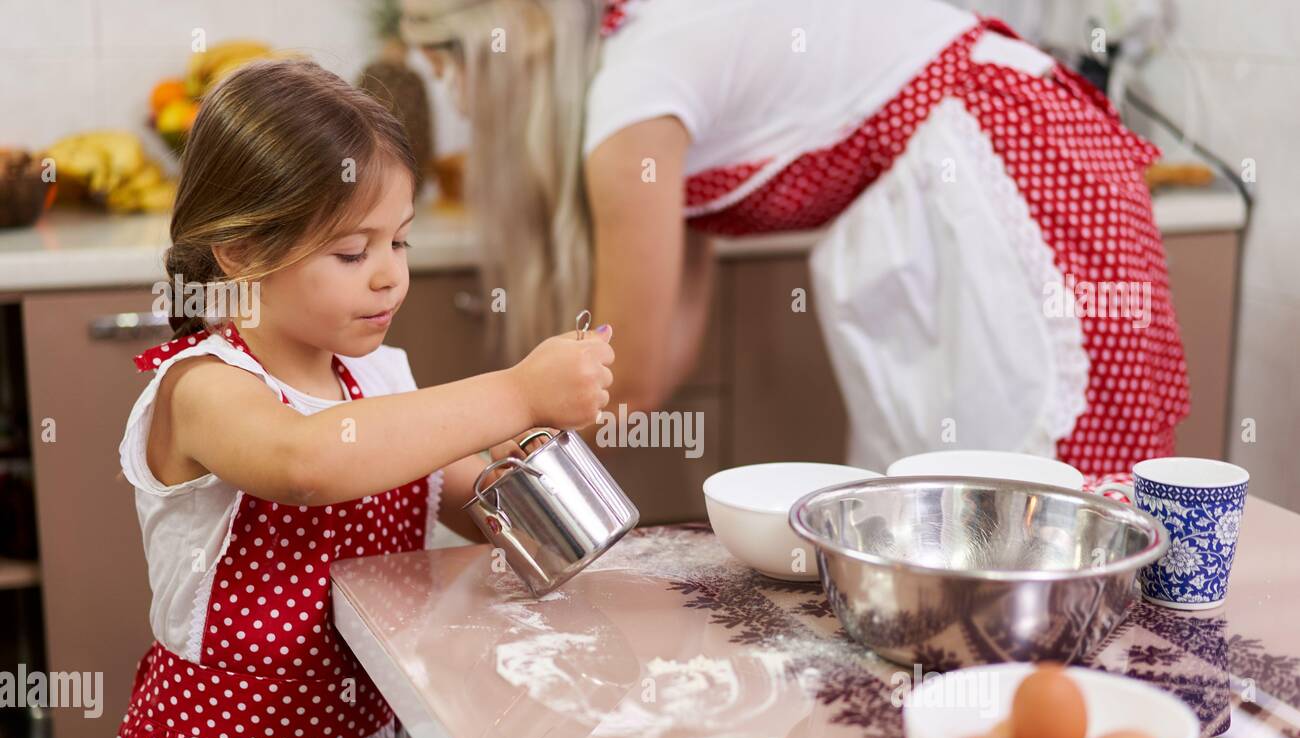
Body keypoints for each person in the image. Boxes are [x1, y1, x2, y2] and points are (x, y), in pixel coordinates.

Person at [104, 59, 614, 738]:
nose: (390, 274)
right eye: (351, 252)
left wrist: (525, 466)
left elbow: (470, 499)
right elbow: (306, 461)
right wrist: (519, 391)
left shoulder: (378, 377)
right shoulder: (203, 388)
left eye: (401, 240)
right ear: (239, 253)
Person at [402, 0, 1189, 480]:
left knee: (1054, 488)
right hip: (1007, 151)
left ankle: (1084, 729)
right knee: (963, 511)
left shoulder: (632, 101)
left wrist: (455, 458)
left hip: (1022, 169)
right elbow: (656, 370)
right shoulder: (646, 82)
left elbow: (627, 378)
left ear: (504, 47)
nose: (459, 104)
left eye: (448, 71)